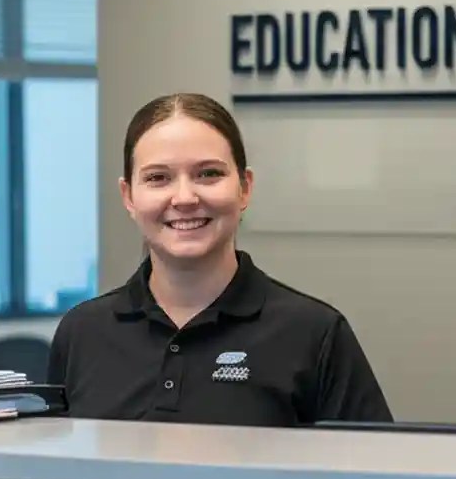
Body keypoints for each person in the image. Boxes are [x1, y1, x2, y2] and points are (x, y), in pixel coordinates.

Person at [47, 92, 392, 426]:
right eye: (158, 178)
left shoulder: (315, 336)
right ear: (129, 196)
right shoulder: (82, 333)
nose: (184, 197)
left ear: (245, 188)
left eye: (208, 174)